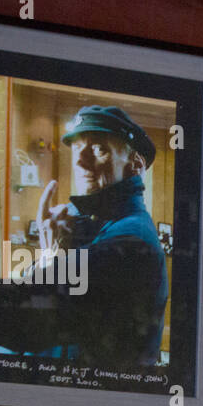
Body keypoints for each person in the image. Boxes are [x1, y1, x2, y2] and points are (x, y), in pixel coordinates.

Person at [34, 104, 169, 367]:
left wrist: (51, 254)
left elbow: (34, 318)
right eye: (76, 148)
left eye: (98, 149)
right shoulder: (86, 222)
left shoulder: (131, 239)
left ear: (135, 164)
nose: (80, 161)